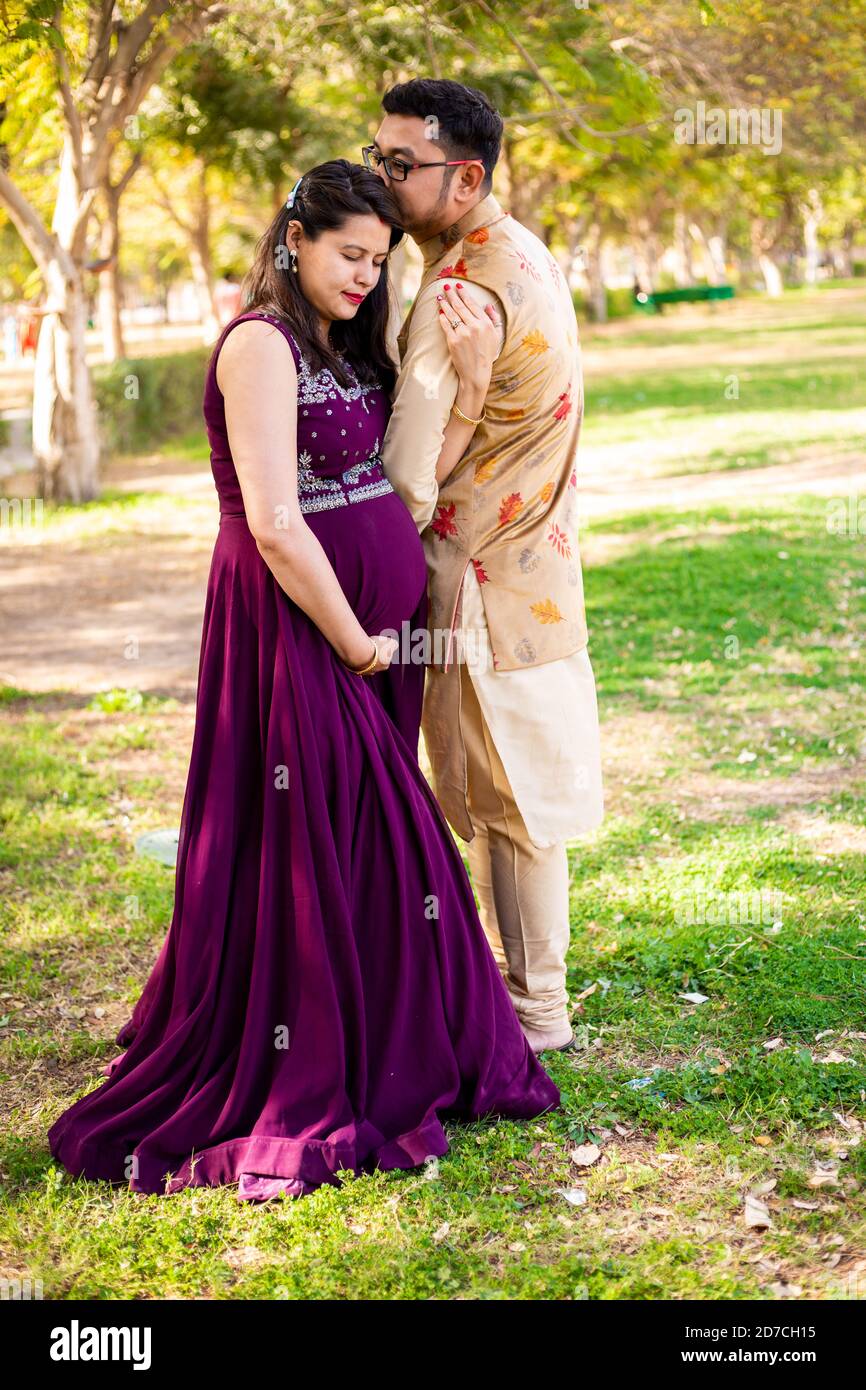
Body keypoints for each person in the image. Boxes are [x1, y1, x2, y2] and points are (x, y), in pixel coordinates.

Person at [47, 161, 560, 1203]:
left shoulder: (340, 342)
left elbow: (395, 476)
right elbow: (278, 524)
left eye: (379, 260)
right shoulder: (258, 347)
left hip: (370, 637)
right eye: (348, 255)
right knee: (340, 833)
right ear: (294, 240)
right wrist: (359, 644)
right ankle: (320, 1044)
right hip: (302, 632)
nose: (366, 276)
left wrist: (463, 387)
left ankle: (385, 1028)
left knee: (363, 837)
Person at [367, 79, 605, 1055]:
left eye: (398, 166)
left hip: (473, 585)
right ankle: (524, 1002)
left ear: (462, 178)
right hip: (537, 570)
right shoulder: (524, 251)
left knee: (506, 806)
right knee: (524, 795)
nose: (380, 179)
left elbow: (404, 481)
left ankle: (531, 1015)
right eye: (375, 156)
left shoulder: (457, 290)